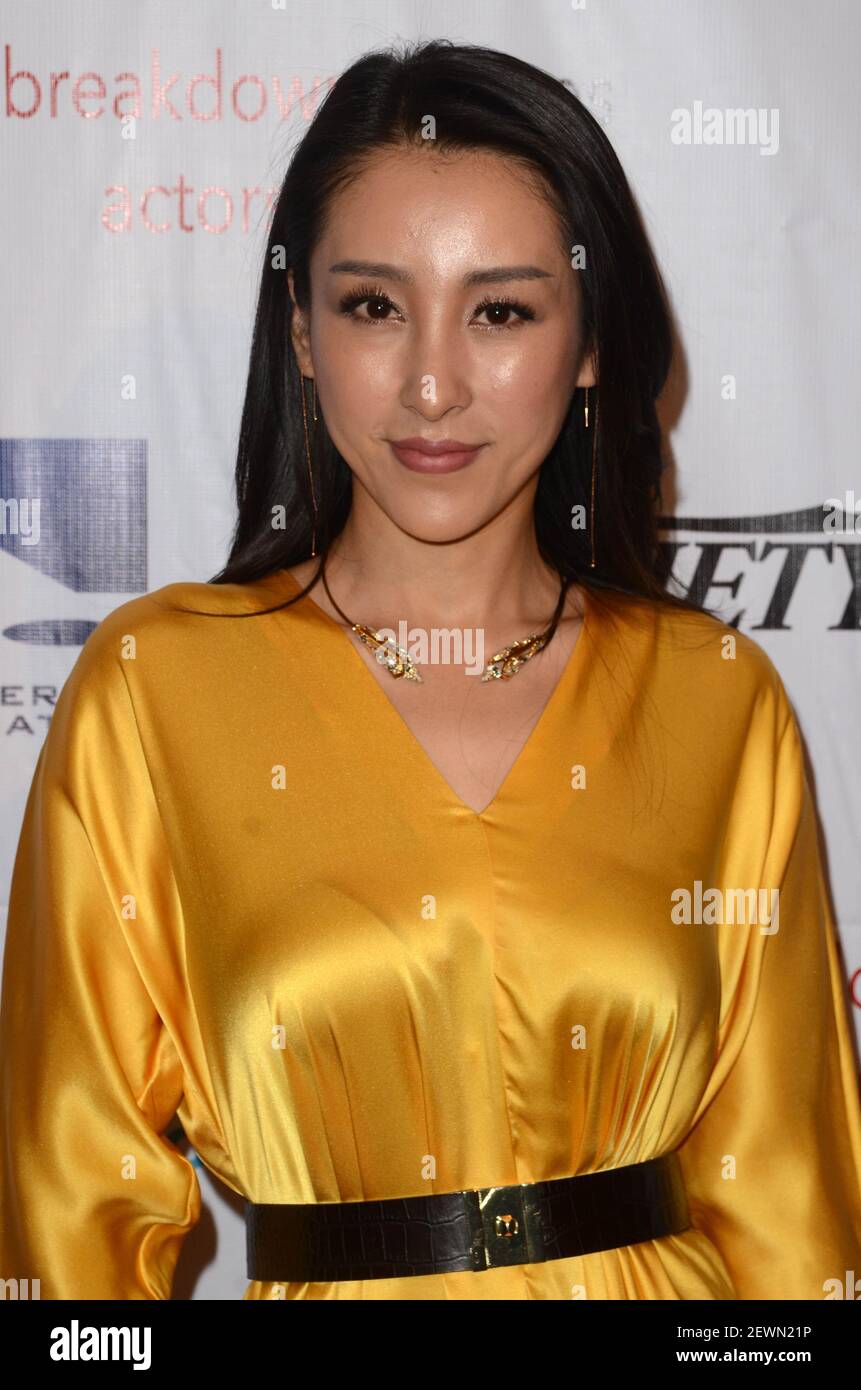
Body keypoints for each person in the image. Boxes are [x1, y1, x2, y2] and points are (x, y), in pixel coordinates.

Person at [1, 38, 860, 1302]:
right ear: (302, 333)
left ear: (590, 345)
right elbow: (70, 1228)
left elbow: (788, 1204)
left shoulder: (716, 697)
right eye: (374, 306)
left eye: (501, 311)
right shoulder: (154, 693)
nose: (432, 385)